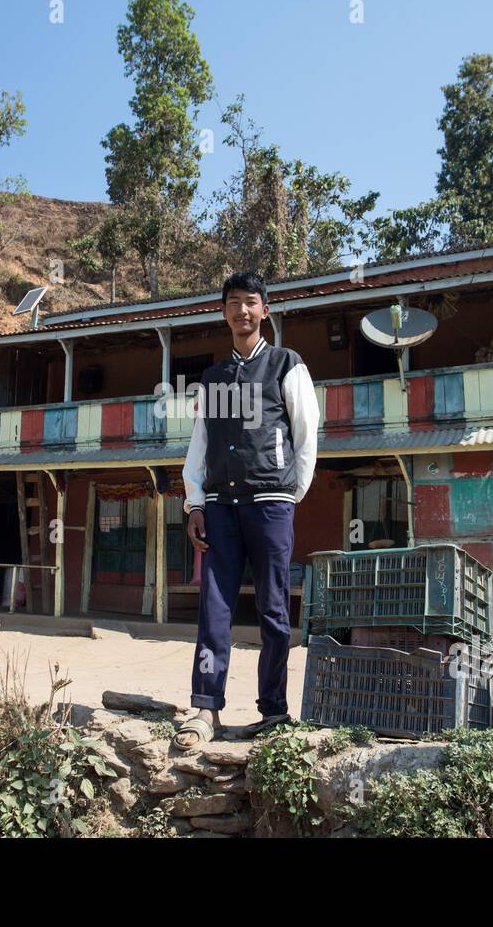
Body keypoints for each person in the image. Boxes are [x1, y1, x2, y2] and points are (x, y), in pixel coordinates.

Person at [173, 271, 320, 751]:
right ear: (223, 311)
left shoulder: (285, 364)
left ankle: (274, 712)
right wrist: (195, 501)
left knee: (274, 609)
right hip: (219, 506)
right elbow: (200, 444)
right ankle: (206, 708)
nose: (242, 311)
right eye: (233, 302)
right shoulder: (213, 378)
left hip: (269, 502)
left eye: (250, 302)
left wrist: (290, 494)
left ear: (265, 311)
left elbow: (306, 432)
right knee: (214, 607)